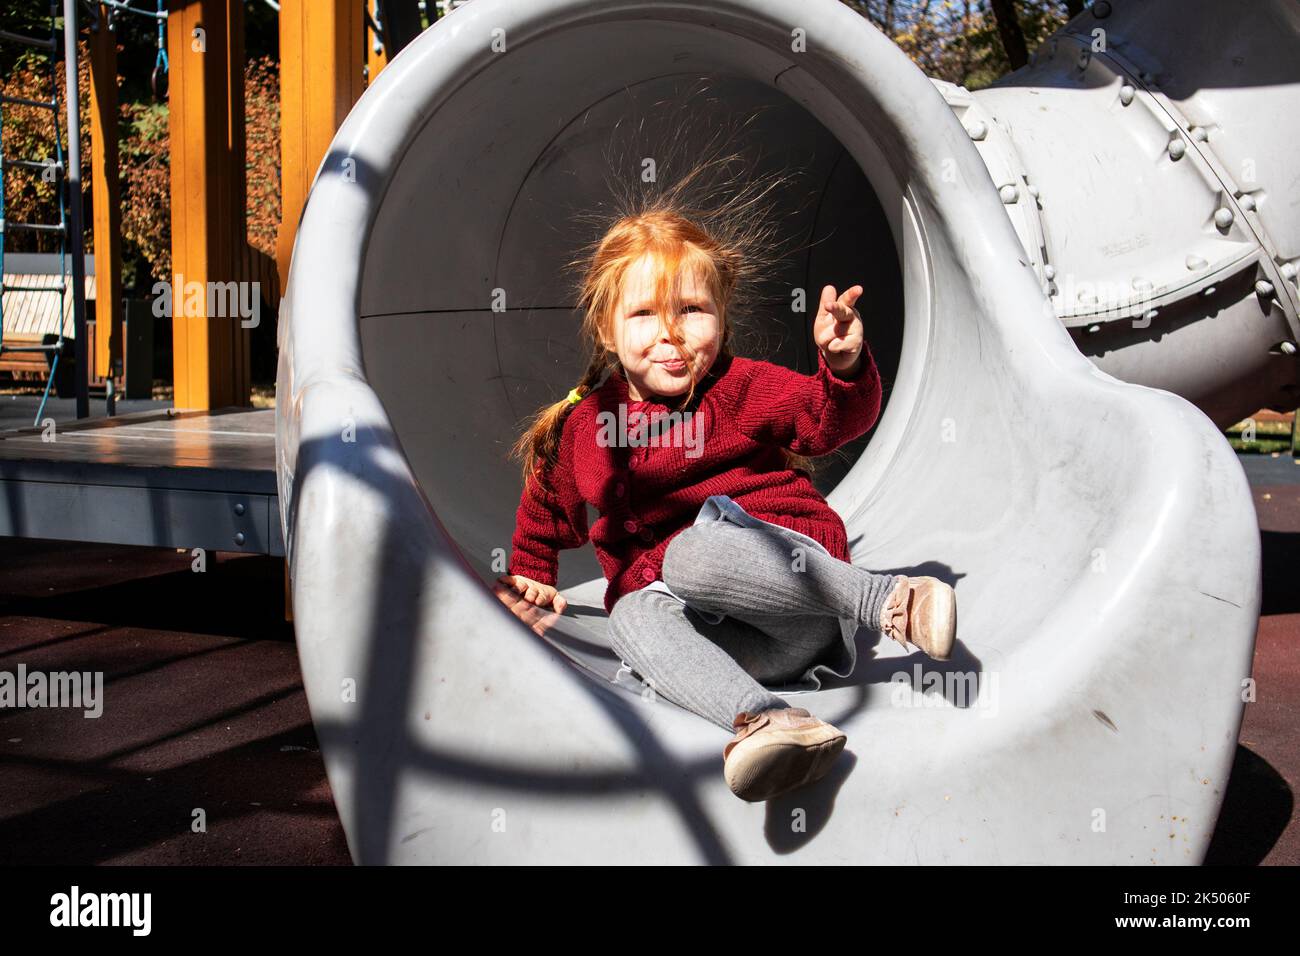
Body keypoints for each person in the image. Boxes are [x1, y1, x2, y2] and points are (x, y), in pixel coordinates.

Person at [495, 206, 956, 803]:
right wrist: (531, 577)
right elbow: (545, 506)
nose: (671, 332)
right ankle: (768, 722)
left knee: (688, 554)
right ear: (607, 330)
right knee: (631, 616)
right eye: (643, 314)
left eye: (691, 309)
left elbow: (826, 422)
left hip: (795, 586)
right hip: (747, 650)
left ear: (720, 315)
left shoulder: (738, 388)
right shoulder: (588, 426)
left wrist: (842, 365)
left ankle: (888, 600)